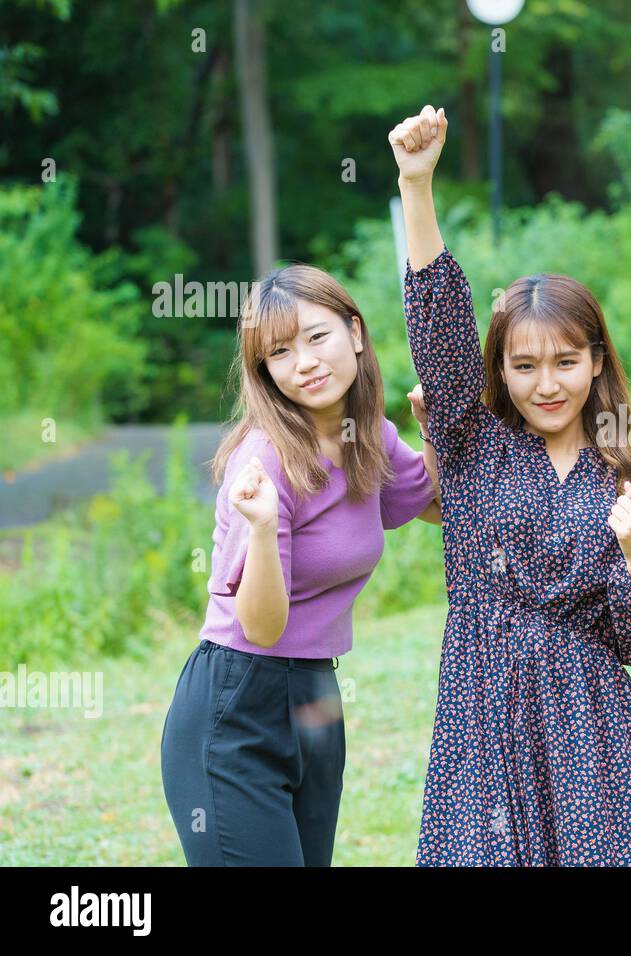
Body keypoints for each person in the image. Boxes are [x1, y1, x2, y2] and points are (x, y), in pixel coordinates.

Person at [391, 105, 631, 866]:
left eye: (565, 362)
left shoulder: (628, 472)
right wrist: (417, 185)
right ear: (500, 370)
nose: (546, 383)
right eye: (524, 365)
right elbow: (441, 328)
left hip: (591, 726)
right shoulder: (472, 442)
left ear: (595, 360)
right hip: (484, 709)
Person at [160, 263, 442, 866]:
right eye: (280, 353)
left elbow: (432, 504)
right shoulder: (265, 459)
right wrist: (261, 531)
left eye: (317, 337)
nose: (305, 362)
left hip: (317, 695)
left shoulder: (368, 434)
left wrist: (440, 431)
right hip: (237, 699)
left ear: (356, 333)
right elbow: (259, 627)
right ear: (264, 371)